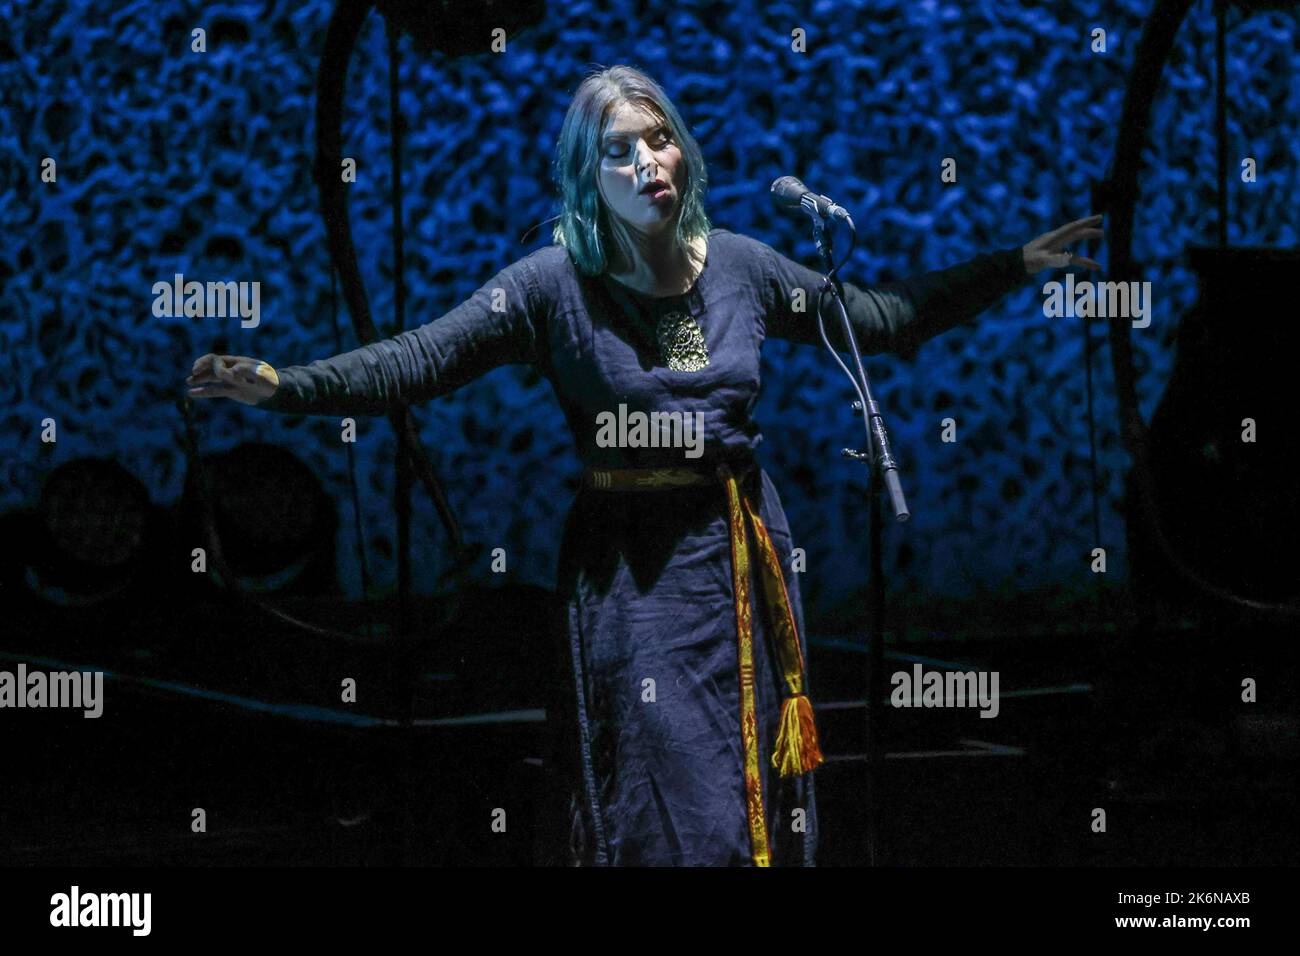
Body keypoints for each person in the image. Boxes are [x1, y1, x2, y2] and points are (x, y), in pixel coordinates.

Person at [187, 63, 1102, 866]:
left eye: (658, 141)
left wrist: (1011, 266)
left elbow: (879, 320)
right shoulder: (550, 285)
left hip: (739, 552)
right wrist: (282, 385)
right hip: (633, 570)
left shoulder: (743, 264)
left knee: (751, 779)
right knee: (669, 781)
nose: (648, 163)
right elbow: (416, 360)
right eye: (621, 152)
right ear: (588, 177)